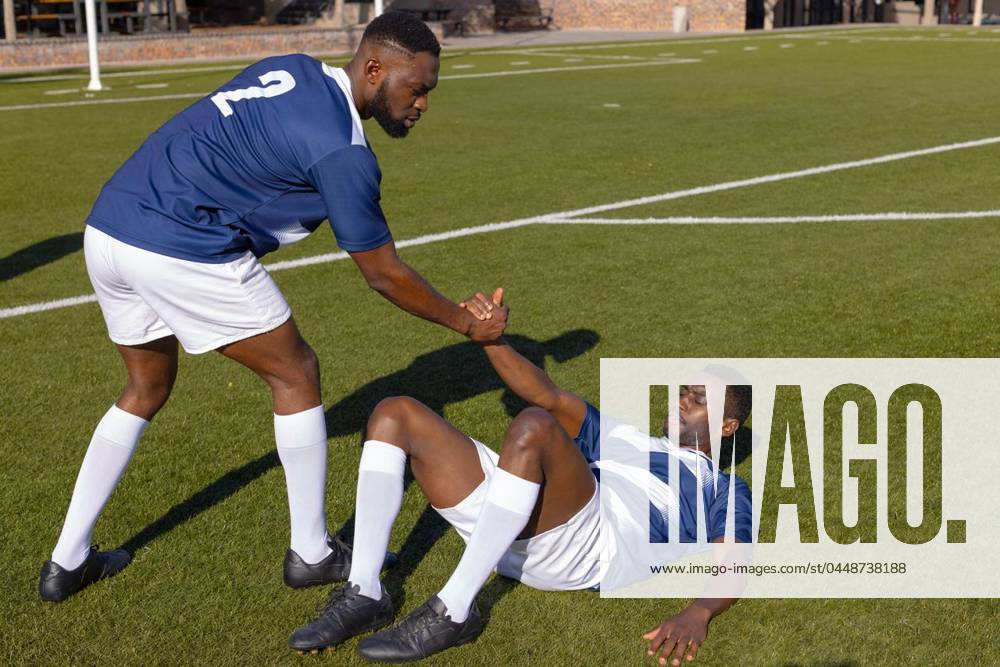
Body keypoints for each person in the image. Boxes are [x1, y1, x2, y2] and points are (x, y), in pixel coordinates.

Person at [38, 13, 506, 603]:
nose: (422, 104)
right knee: (295, 372)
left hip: (110, 226)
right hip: (180, 243)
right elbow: (384, 275)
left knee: (145, 387)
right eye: (416, 88)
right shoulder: (343, 150)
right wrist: (465, 322)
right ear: (374, 69)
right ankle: (310, 551)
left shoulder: (292, 69)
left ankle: (67, 560)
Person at [289, 289, 752, 664]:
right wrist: (489, 338)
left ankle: (454, 609)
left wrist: (698, 613)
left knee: (535, 427)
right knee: (395, 413)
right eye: (683, 391)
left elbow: (736, 559)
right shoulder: (626, 436)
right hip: (516, 521)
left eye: (699, 399)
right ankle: (365, 590)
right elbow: (548, 393)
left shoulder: (724, 488)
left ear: (727, 427)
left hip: (587, 547)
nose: (682, 401)